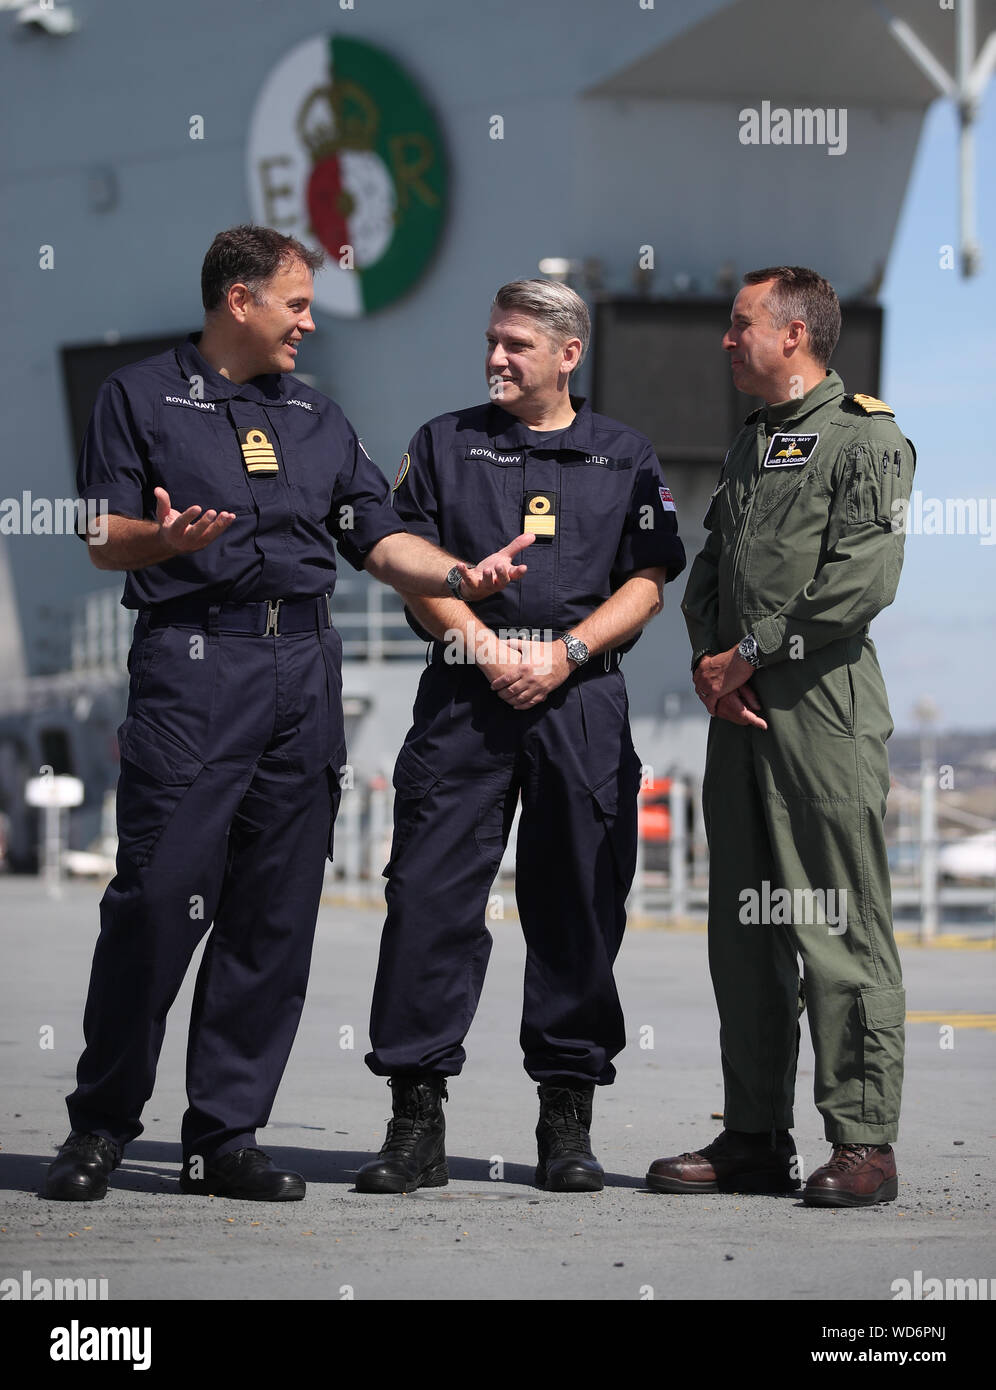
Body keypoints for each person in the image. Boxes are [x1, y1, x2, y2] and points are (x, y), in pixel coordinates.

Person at [44, 225, 532, 1203]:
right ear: (239, 299)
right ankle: (100, 1125)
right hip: (195, 665)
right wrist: (163, 535)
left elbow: (377, 537)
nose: (309, 323)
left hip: (302, 669)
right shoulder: (137, 397)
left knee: (274, 912)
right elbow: (102, 536)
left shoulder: (316, 415)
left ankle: (224, 1136)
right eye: (296, 304)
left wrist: (457, 574)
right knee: (155, 897)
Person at [356, 279, 686, 1194]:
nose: (497, 358)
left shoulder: (624, 453)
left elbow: (649, 581)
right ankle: (414, 1124)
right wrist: (487, 645)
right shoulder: (443, 443)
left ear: (567, 354)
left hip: (581, 704)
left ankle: (567, 1127)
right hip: (465, 699)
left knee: (579, 903)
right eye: (493, 341)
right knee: (428, 899)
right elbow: (407, 566)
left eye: (517, 345)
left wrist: (566, 653)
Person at [647, 266, 915, 1207]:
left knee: (838, 927)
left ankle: (865, 1144)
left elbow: (862, 581)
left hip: (822, 717)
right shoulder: (752, 446)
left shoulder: (865, 437)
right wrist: (710, 666)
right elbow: (709, 571)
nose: (726, 341)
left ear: (794, 335)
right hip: (743, 717)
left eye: (740, 325)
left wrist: (748, 654)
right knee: (747, 935)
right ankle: (755, 1135)